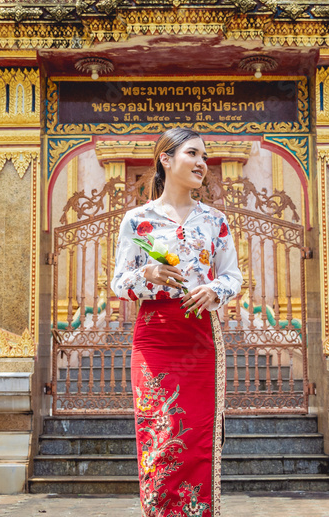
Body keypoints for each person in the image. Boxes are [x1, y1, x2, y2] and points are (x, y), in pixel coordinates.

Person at [110, 127, 242, 517]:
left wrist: (215, 290)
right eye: (193, 154)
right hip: (154, 339)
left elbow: (233, 276)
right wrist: (147, 274)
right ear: (165, 160)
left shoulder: (214, 221)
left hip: (200, 337)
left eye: (205, 156)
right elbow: (119, 283)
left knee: (198, 437)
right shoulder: (138, 221)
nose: (202, 163)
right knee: (159, 435)